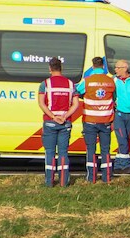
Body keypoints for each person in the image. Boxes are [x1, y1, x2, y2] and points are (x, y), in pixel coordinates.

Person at [38, 57, 81, 187]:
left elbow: (41, 103)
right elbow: (76, 104)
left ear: (50, 68)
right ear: (61, 68)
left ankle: (49, 182)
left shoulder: (45, 84)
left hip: (50, 122)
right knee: (63, 152)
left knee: (49, 152)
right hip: (65, 122)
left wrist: (53, 116)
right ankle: (64, 182)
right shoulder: (70, 84)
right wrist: (65, 116)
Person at [79, 57, 116, 183]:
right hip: (105, 120)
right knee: (105, 149)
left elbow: (77, 91)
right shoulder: (110, 81)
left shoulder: (87, 81)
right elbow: (114, 98)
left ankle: (91, 178)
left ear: (93, 66)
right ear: (103, 66)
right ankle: (107, 177)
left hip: (90, 120)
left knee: (91, 149)